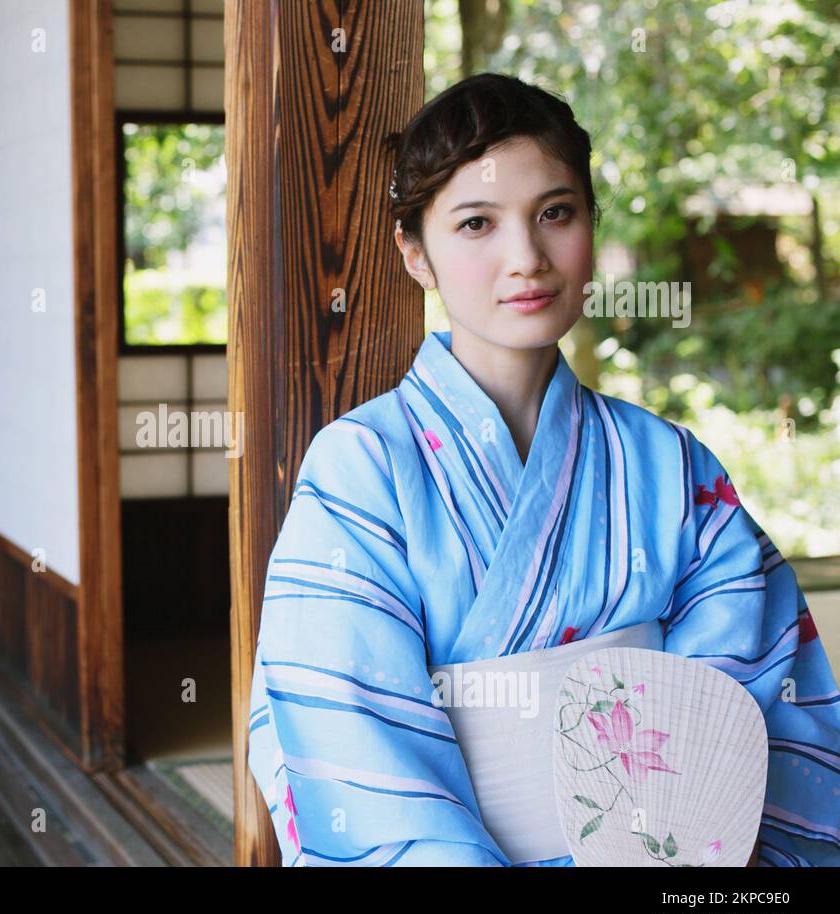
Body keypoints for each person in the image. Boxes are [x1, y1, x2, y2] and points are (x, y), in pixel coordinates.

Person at [245, 73, 840, 867]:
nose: (525, 257)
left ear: (590, 223)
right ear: (415, 252)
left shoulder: (669, 464)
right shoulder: (361, 469)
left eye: (555, 213)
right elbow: (347, 737)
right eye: (476, 223)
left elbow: (752, 703)